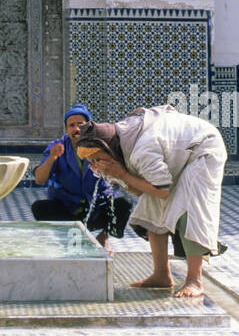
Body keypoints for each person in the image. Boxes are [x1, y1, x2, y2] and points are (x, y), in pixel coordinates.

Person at [73, 104, 227, 299]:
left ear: (107, 148)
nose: (95, 164)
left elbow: (162, 191)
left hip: (203, 149)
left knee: (189, 209)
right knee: (150, 209)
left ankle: (194, 281)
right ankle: (162, 274)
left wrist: (121, 174)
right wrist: (117, 177)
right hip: (179, 155)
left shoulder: (142, 151)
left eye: (97, 157)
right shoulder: (121, 142)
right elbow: (142, 191)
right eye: (92, 161)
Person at [32, 103, 132, 249]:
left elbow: (120, 177)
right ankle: (67, 237)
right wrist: (52, 158)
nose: (76, 129)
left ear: (89, 126)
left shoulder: (102, 146)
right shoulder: (57, 146)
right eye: (71, 125)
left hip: (96, 210)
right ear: (66, 129)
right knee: (39, 208)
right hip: (67, 209)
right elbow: (39, 179)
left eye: (80, 124)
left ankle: (104, 236)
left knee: (124, 203)